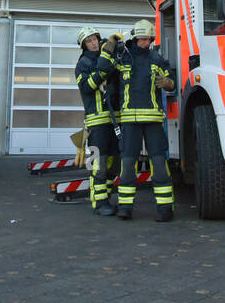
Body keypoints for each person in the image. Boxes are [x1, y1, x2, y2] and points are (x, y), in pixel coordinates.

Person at [103, 18, 176, 222]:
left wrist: (169, 83)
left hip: (152, 120)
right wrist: (107, 49)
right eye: (141, 39)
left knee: (159, 164)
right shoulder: (122, 60)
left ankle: (165, 209)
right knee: (127, 165)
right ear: (134, 39)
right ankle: (125, 207)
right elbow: (105, 76)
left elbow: (172, 81)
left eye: (148, 39)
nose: (145, 42)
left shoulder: (157, 59)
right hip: (129, 122)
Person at [75, 26, 121, 216]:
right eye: (89, 41)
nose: (94, 43)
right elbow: (87, 87)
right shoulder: (83, 64)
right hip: (96, 122)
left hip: (115, 120)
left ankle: (107, 197)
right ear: (84, 45)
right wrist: (102, 69)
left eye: (95, 39)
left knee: (114, 164)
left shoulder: (107, 58)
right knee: (98, 164)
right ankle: (99, 202)